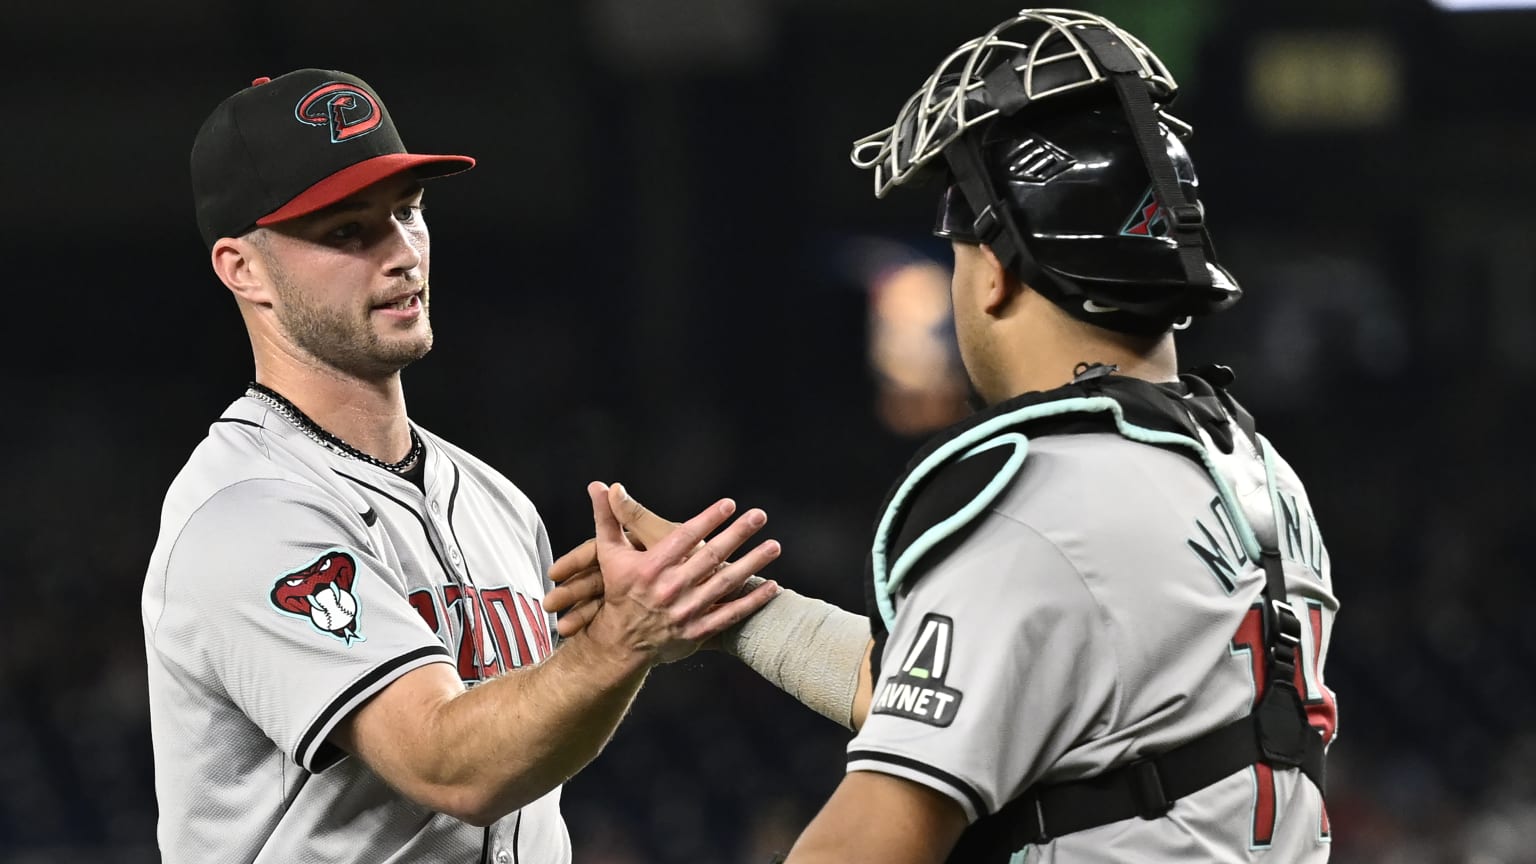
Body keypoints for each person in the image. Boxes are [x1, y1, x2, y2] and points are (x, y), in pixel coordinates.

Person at [552, 9, 1339, 862]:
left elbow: (860, 848)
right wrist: (736, 609)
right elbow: (962, 692)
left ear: (994, 272)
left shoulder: (1046, 501)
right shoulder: (1254, 474)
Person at [141, 68, 782, 864]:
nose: (402, 252)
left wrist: (632, 639)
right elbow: (449, 766)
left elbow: (522, 749)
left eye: (407, 213)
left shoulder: (492, 499)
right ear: (243, 268)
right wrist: (619, 643)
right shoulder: (243, 512)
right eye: (347, 232)